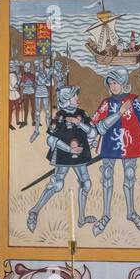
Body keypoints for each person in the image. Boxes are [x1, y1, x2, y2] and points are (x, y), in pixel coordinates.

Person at [90, 68, 140, 234]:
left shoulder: (135, 100)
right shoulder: (106, 103)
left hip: (130, 143)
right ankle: (106, 215)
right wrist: (118, 113)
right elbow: (96, 123)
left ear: (123, 83)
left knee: (129, 177)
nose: (113, 86)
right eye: (110, 83)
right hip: (110, 143)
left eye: (115, 82)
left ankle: (131, 212)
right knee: (107, 177)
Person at [27, 84, 95, 232]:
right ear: (66, 98)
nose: (77, 98)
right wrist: (68, 148)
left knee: (86, 184)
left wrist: (80, 124)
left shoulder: (82, 114)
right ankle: (34, 211)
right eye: (74, 95)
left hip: (81, 153)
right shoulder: (59, 116)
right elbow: (50, 140)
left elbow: (93, 134)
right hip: (64, 154)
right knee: (57, 185)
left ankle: (82, 219)